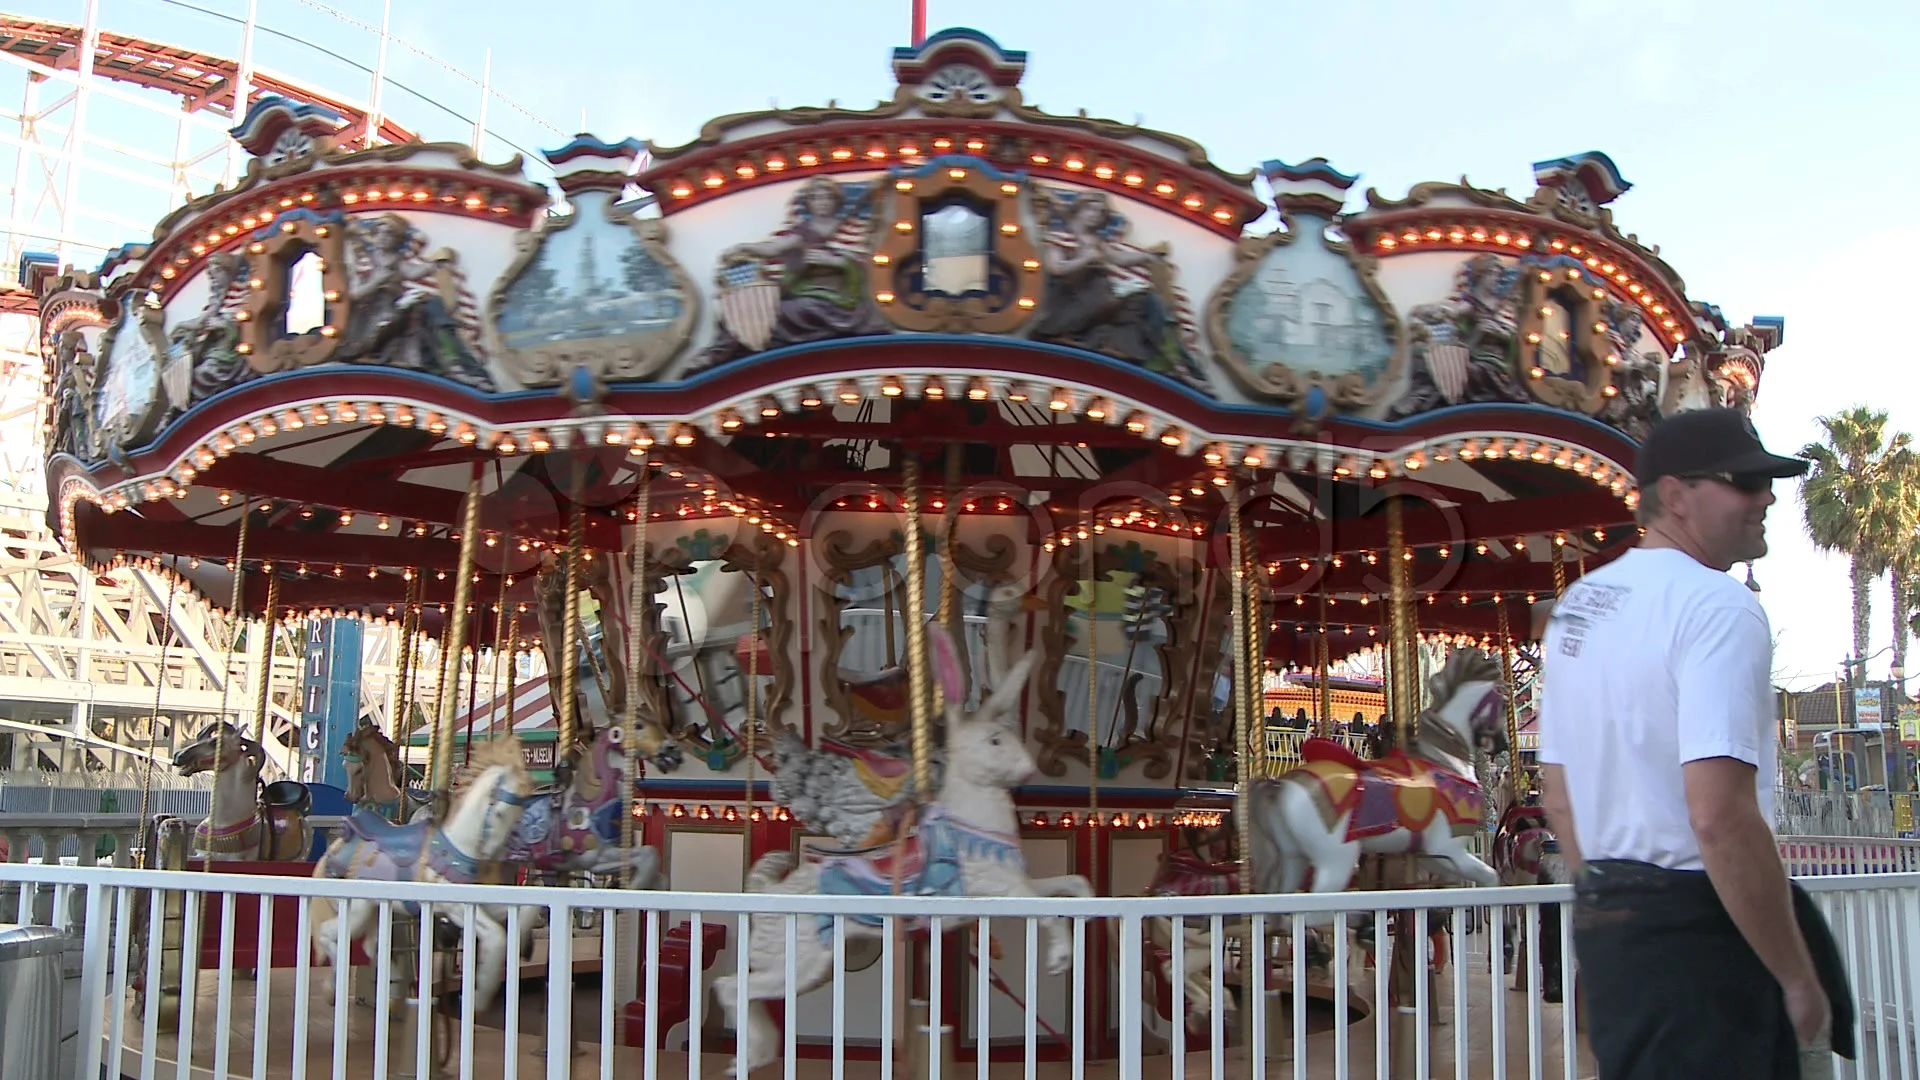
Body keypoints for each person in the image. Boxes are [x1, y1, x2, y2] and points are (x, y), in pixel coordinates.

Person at [1536, 408, 1853, 1078]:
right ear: (1677, 496)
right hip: (1703, 939)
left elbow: (1558, 796)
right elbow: (1718, 815)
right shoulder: (1718, 605)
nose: (1767, 498)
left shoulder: (1578, 608)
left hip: (1614, 927)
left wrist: (1614, 906)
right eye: (1746, 482)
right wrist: (1796, 978)